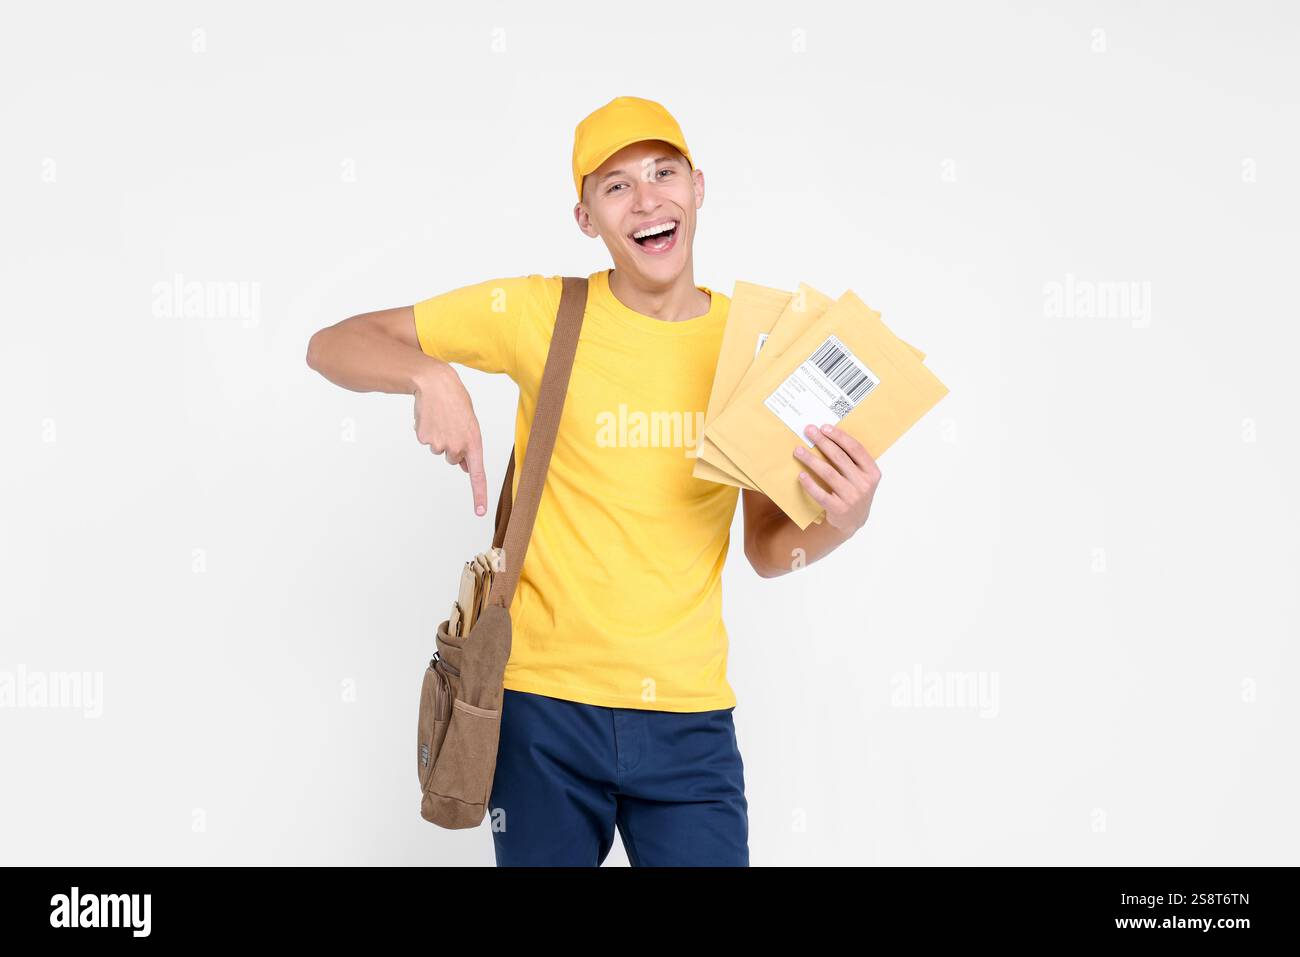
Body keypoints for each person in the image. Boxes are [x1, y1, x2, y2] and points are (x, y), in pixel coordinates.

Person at [305, 95, 883, 866]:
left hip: (690, 722)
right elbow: (331, 343)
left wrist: (844, 517)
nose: (646, 199)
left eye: (662, 173)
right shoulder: (538, 312)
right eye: (615, 186)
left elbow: (767, 549)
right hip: (544, 712)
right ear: (586, 218)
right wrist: (424, 372)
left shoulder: (752, 345)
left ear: (699, 188)